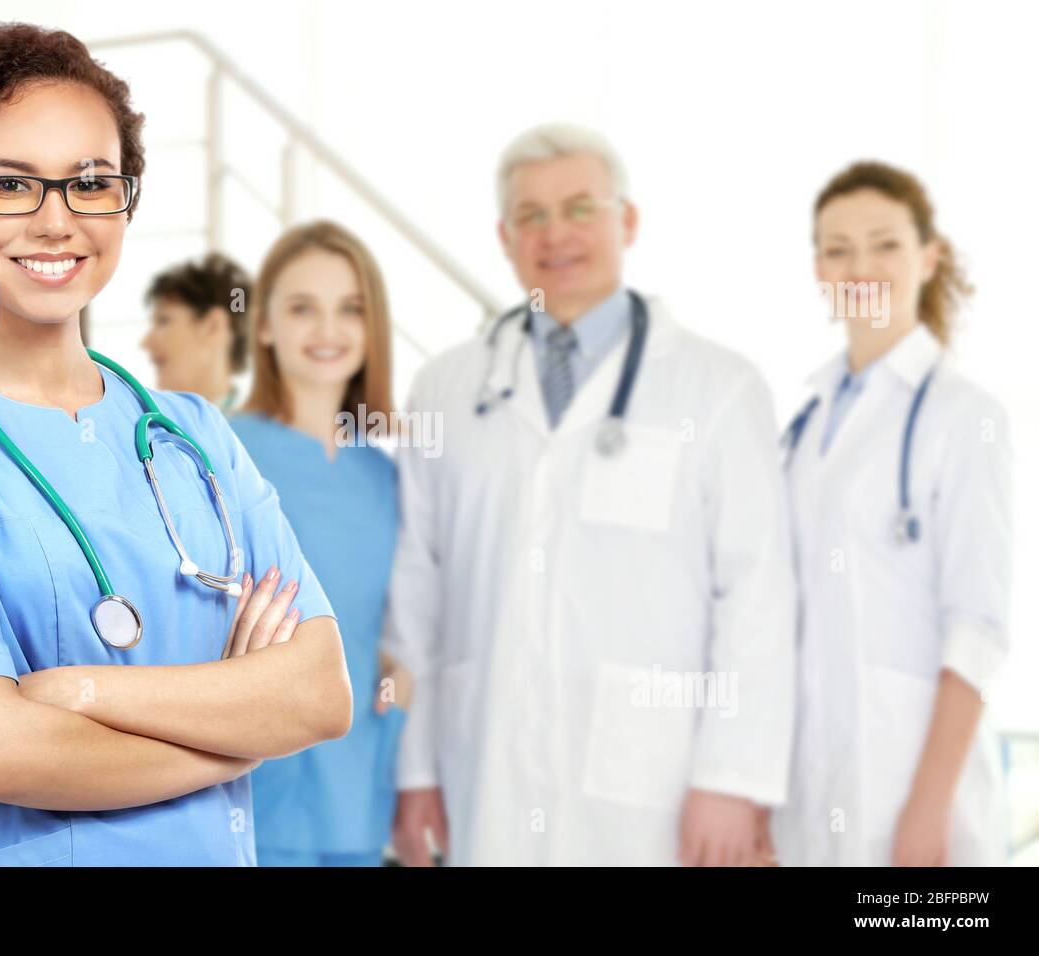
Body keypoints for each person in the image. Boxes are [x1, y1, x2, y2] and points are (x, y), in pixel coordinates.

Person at [0, 23, 351, 868]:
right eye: (10, 185)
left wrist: (72, 693)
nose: (56, 221)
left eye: (91, 183)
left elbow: (319, 694)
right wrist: (242, 735)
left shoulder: (193, 434)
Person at [385, 123, 795, 866]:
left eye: (580, 208)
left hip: (662, 786)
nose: (556, 235)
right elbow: (417, 592)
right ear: (505, 237)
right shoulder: (446, 388)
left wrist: (733, 779)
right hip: (485, 769)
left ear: (626, 221)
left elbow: (758, 597)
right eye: (531, 216)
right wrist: (414, 771)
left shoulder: (719, 388)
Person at [774, 161, 1012, 867]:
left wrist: (928, 806)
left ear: (928, 257)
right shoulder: (801, 430)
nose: (861, 267)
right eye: (838, 248)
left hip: (918, 809)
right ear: (818, 267)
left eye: (885, 244)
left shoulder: (965, 418)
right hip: (806, 802)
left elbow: (977, 629)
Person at [231, 221, 408, 867]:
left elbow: (391, 624)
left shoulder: (384, 475)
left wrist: (400, 691)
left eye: (350, 309)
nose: (327, 330)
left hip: (360, 793)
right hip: (253, 787)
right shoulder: (225, 451)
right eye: (303, 308)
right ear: (267, 326)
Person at [141, 252, 251, 410]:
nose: (146, 343)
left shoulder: (256, 429)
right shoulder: (152, 424)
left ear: (214, 326)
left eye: (164, 320)